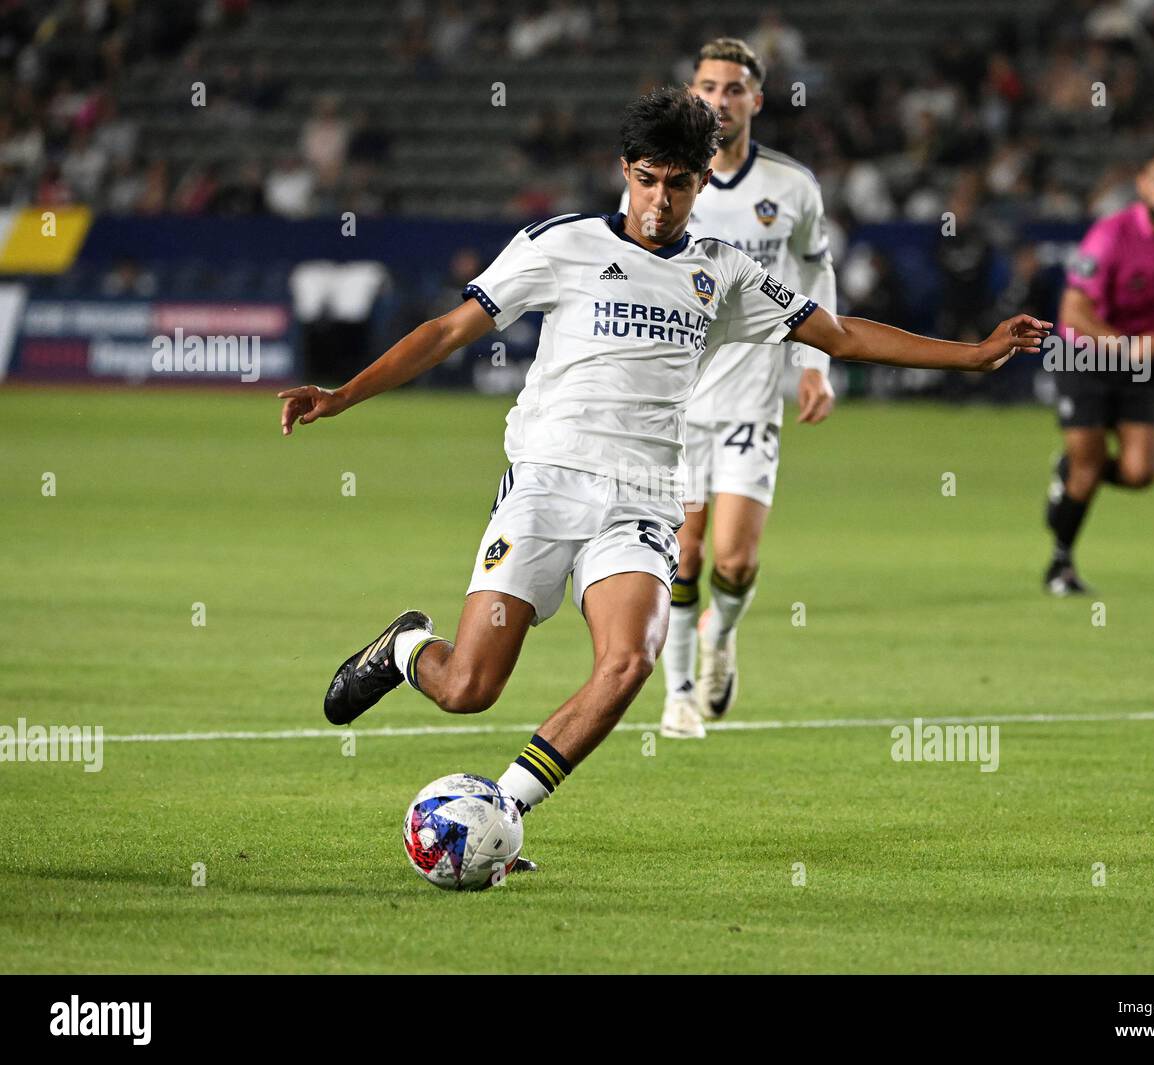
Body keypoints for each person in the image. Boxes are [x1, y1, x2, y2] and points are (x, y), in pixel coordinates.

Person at [278, 87, 1048, 868]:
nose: (660, 199)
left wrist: (976, 352)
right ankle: (407, 647)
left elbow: (841, 335)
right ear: (625, 171)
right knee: (469, 687)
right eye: (648, 179)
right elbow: (448, 329)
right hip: (549, 480)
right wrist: (342, 394)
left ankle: (503, 808)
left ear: (703, 183)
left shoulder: (726, 272)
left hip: (645, 496)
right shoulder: (561, 244)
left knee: (630, 657)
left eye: (679, 183)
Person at [619, 38, 837, 738]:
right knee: (686, 551)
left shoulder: (792, 187)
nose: (720, 97)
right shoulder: (666, 179)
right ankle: (678, 690)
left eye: (734, 87)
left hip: (750, 396)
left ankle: (721, 636)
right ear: (693, 92)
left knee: (736, 560)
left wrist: (818, 365)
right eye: (709, 85)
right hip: (678, 403)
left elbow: (816, 273)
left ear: (756, 99)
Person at [1045, 147, 1154, 595]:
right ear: (1141, 185)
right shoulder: (1109, 236)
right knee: (1090, 465)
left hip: (1140, 360)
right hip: (1084, 357)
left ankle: (1070, 468)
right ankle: (1060, 565)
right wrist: (1126, 345)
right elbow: (1072, 311)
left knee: (1140, 473)